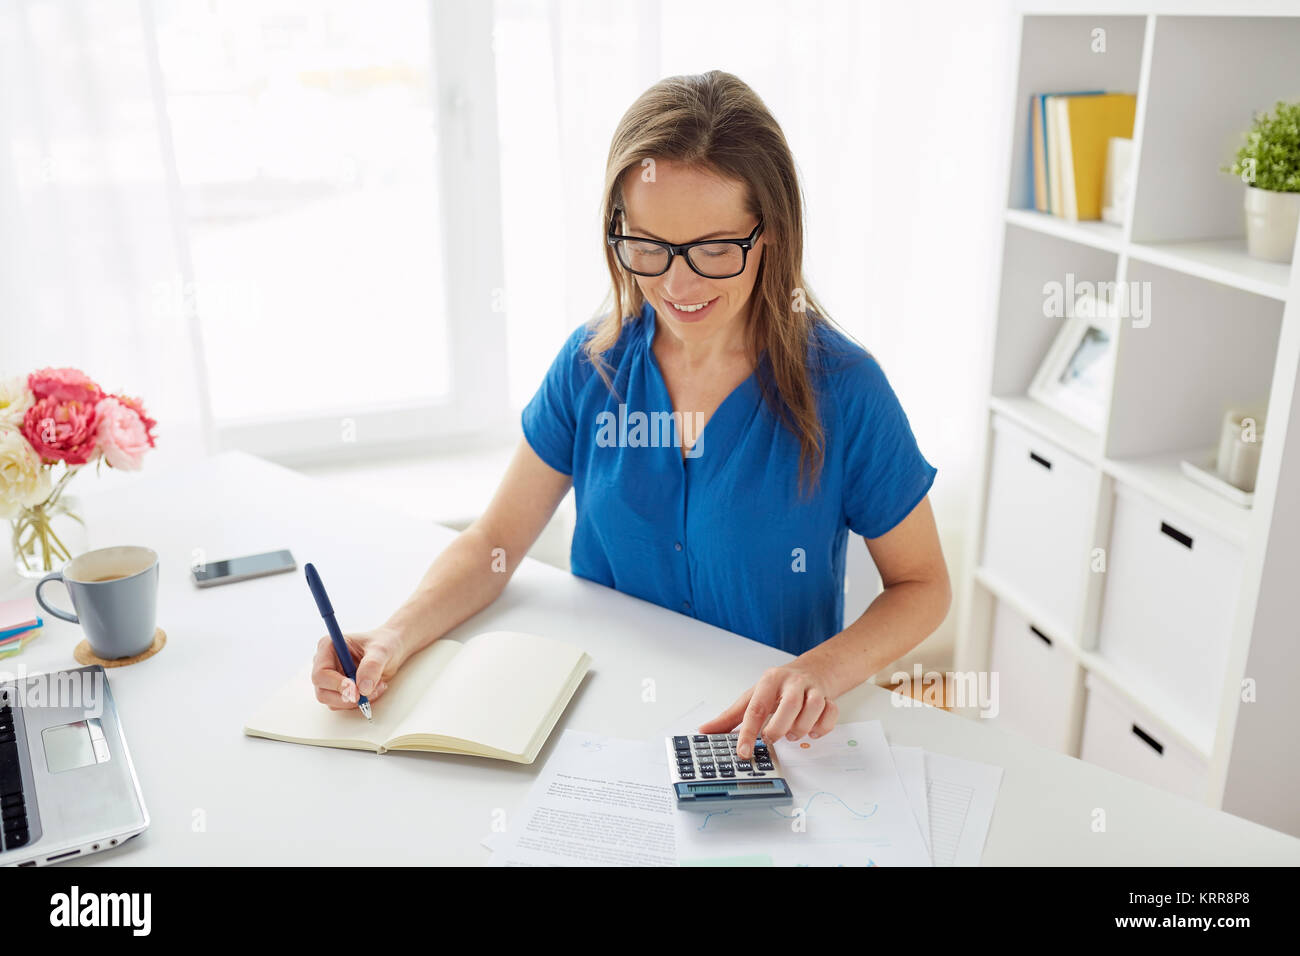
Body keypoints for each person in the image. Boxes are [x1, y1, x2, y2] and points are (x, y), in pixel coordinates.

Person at [311, 70, 951, 761]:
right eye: (647, 245)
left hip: (761, 744)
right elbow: (493, 544)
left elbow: (923, 586)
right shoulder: (593, 364)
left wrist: (818, 672)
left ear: (772, 233)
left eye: (713, 249)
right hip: (595, 732)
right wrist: (395, 635)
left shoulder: (845, 389)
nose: (676, 285)